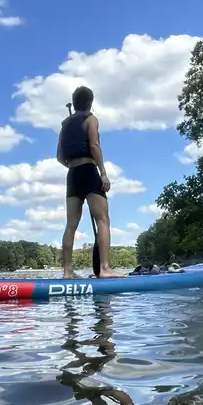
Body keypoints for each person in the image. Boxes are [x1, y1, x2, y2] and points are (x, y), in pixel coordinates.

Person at [57, 86, 126, 279]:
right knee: (102, 219)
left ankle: (67, 271)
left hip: (72, 174)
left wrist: (74, 167)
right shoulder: (91, 119)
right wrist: (103, 173)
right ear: (90, 103)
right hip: (89, 170)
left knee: (71, 224)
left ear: (75, 102)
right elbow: (94, 145)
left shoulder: (65, 125)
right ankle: (104, 269)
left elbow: (59, 157)